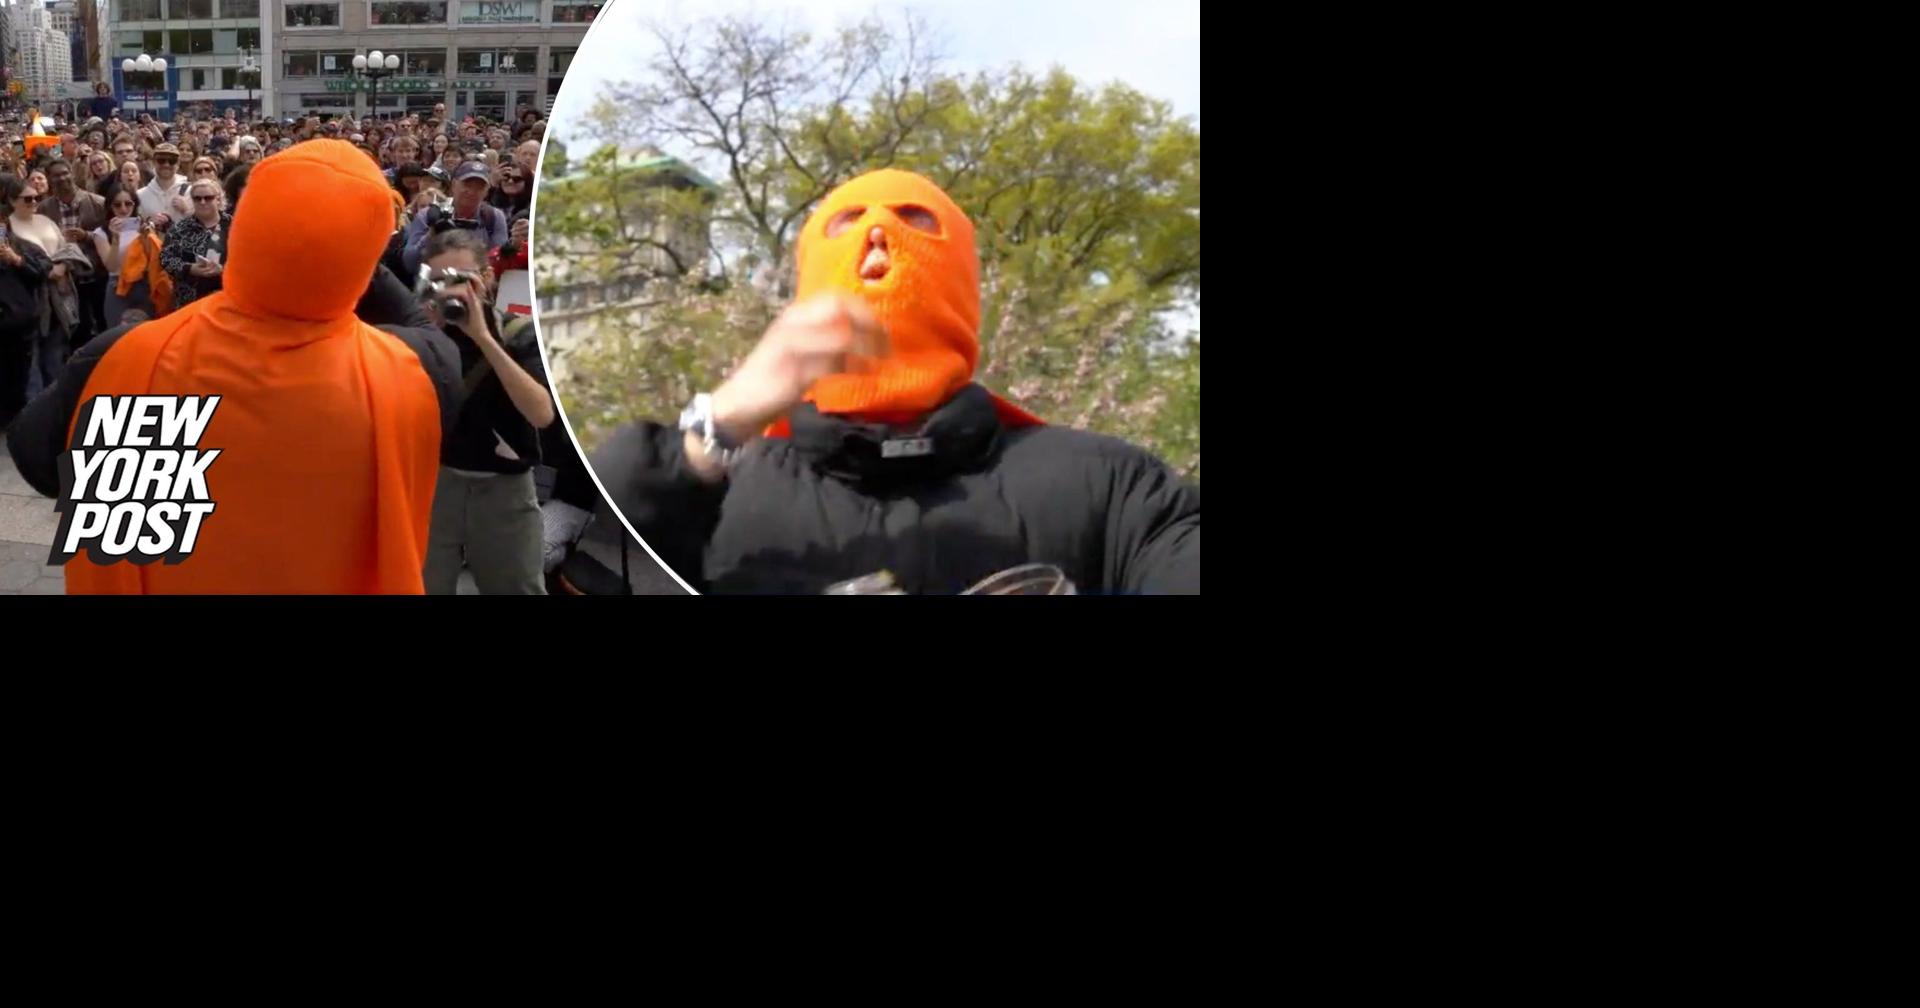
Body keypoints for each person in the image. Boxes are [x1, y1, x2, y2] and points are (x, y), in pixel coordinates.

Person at [590, 169, 1201, 594]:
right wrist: (717, 425)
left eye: (915, 218)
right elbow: (600, 545)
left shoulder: (1111, 486)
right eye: (848, 221)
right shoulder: (724, 489)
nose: (878, 233)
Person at [8, 139, 462, 594]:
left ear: (241, 229)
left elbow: (38, 461)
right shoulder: (409, 373)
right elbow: (421, 325)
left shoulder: (130, 357)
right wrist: (344, 252)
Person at [412, 227, 554, 594]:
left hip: (503, 490)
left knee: (515, 586)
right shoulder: (423, 336)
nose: (454, 291)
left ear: (487, 278)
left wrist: (483, 337)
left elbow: (541, 414)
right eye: (442, 281)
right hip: (438, 483)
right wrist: (429, 331)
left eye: (463, 280)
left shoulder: (516, 332)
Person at [0, 176, 57, 432]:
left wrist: (17, 261)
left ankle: (18, 423)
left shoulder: (20, 246)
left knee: (20, 377)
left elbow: (43, 268)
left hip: (19, 325)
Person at [40, 158, 110, 339]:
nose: (62, 178)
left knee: (104, 323)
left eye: (65, 173)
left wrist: (86, 235)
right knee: (78, 330)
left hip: (97, 276)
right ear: (49, 179)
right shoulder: (44, 209)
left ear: (72, 173)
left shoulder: (98, 203)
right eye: (56, 175)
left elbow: (111, 235)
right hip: (68, 280)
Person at [400, 161, 508, 278]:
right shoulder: (429, 215)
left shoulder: (493, 217)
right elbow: (409, 263)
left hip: (476, 283)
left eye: (479, 187)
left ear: (487, 191)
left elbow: (499, 261)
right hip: (435, 284)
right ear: (454, 184)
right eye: (467, 184)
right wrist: (431, 235)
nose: (471, 191)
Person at [158, 178, 232, 310]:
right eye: (197, 198)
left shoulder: (234, 226)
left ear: (218, 199)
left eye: (208, 198)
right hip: (189, 303)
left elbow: (248, 263)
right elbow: (165, 259)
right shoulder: (179, 229)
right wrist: (190, 268)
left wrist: (223, 270)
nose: (203, 202)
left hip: (226, 301)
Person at [90, 189, 156, 325]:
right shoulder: (101, 233)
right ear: (110, 206)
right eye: (117, 205)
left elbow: (154, 260)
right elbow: (111, 266)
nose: (123, 209)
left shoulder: (143, 227)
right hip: (118, 286)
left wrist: (146, 237)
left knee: (147, 333)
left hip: (143, 283)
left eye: (128, 203)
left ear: (135, 204)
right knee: (117, 335)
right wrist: (115, 239)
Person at [137, 142, 189, 223]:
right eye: (161, 160)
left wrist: (186, 211)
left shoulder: (190, 192)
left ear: (178, 163)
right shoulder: (140, 195)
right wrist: (149, 222)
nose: (166, 164)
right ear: (154, 162)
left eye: (172, 161)